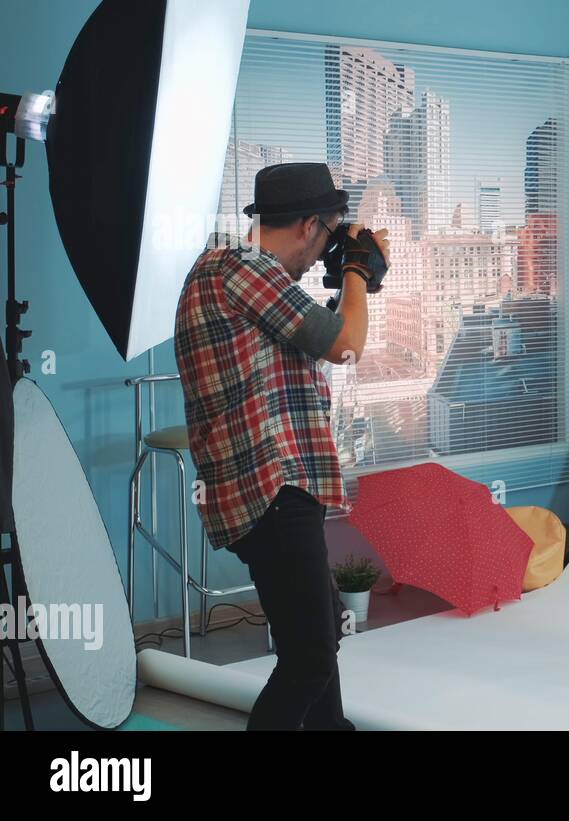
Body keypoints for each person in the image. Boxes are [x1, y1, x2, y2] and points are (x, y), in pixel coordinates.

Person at [174, 162, 389, 730]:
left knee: (319, 641)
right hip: (269, 491)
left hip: (273, 492)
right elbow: (345, 346)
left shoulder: (233, 273)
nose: (320, 258)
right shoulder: (242, 269)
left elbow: (317, 337)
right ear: (307, 225)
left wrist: (351, 269)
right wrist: (359, 271)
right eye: (324, 240)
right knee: (310, 656)